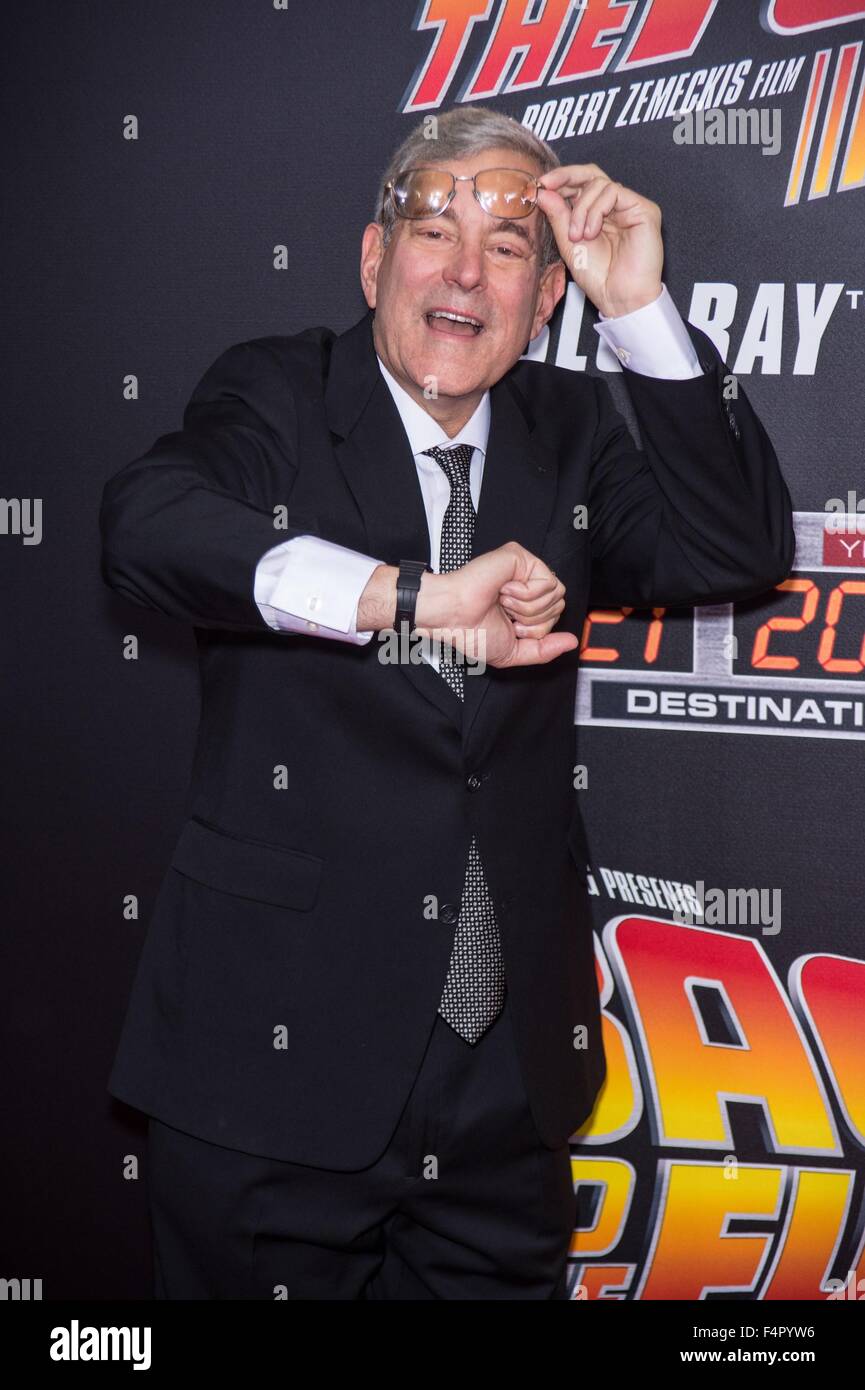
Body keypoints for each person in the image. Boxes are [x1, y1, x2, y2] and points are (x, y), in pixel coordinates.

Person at [99, 106, 795, 1300]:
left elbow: (731, 547)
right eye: (434, 226)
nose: (467, 267)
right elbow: (144, 526)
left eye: (511, 243)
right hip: (272, 1068)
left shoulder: (570, 430)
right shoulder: (275, 393)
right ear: (375, 262)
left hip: (501, 1097)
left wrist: (636, 306)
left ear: (540, 302)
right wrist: (403, 598)